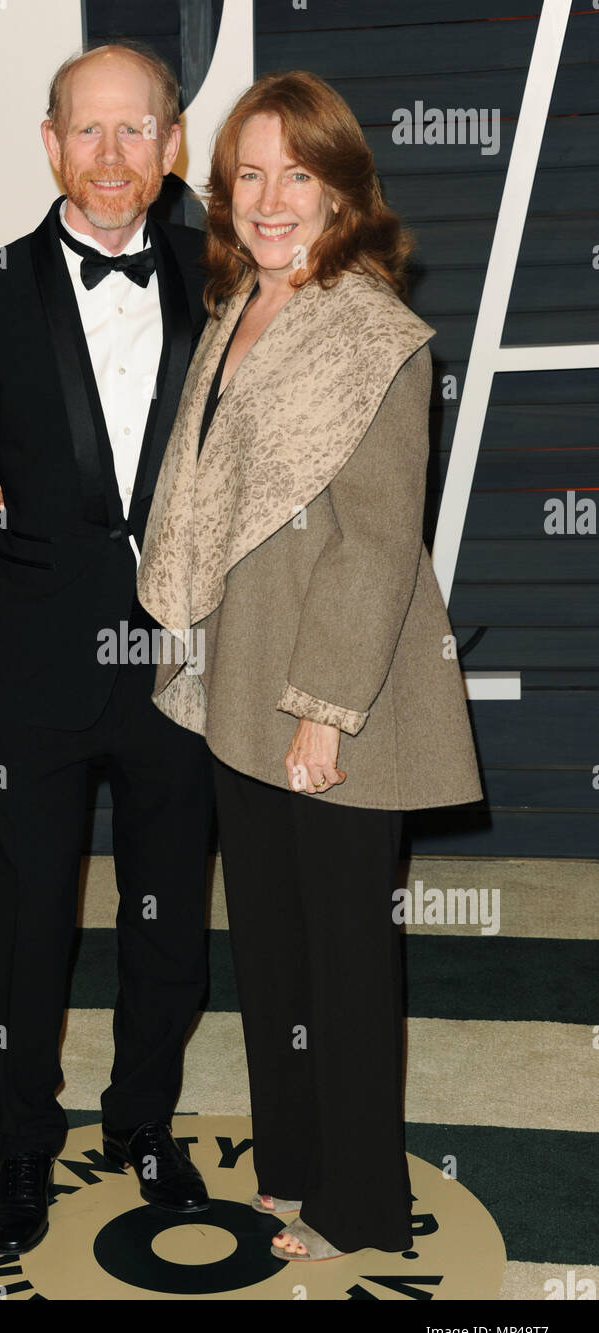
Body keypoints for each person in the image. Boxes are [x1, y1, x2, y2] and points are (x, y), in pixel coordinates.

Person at [137, 70, 484, 1262]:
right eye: (250, 173)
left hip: (342, 693)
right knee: (272, 942)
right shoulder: (240, 309)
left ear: (344, 191)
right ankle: (295, 1165)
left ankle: (362, 1207)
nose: (271, 198)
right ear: (224, 190)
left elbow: (381, 541)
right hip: (241, 682)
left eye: (300, 173)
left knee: (344, 957)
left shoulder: (377, 334)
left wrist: (324, 714)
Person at [0, 40, 215, 1257]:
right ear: (50, 146)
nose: (110, 156)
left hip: (185, 667)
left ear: (171, 147)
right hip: (27, 668)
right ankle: (24, 1143)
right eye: (86, 132)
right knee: (29, 920)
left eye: (135, 130)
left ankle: (144, 1120)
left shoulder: (228, 277)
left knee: (169, 922)